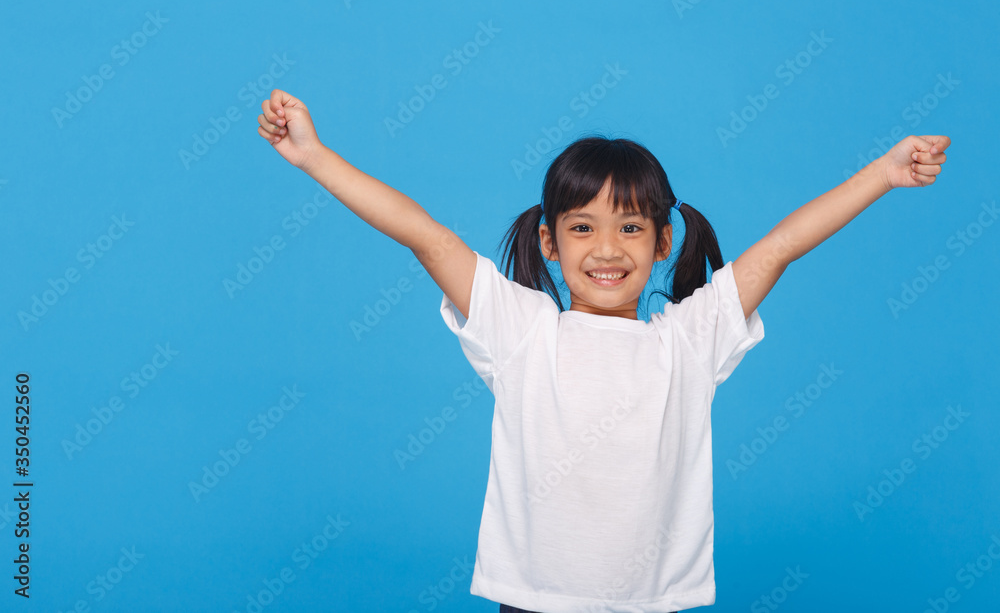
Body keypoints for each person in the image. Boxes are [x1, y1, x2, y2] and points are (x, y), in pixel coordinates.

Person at [257, 88, 948, 612]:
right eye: (583, 227)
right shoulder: (521, 328)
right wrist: (314, 155)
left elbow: (784, 245)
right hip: (532, 598)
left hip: (651, 601)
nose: (608, 249)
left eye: (630, 226)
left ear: (662, 242)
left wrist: (884, 173)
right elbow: (425, 236)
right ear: (551, 243)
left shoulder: (689, 336)